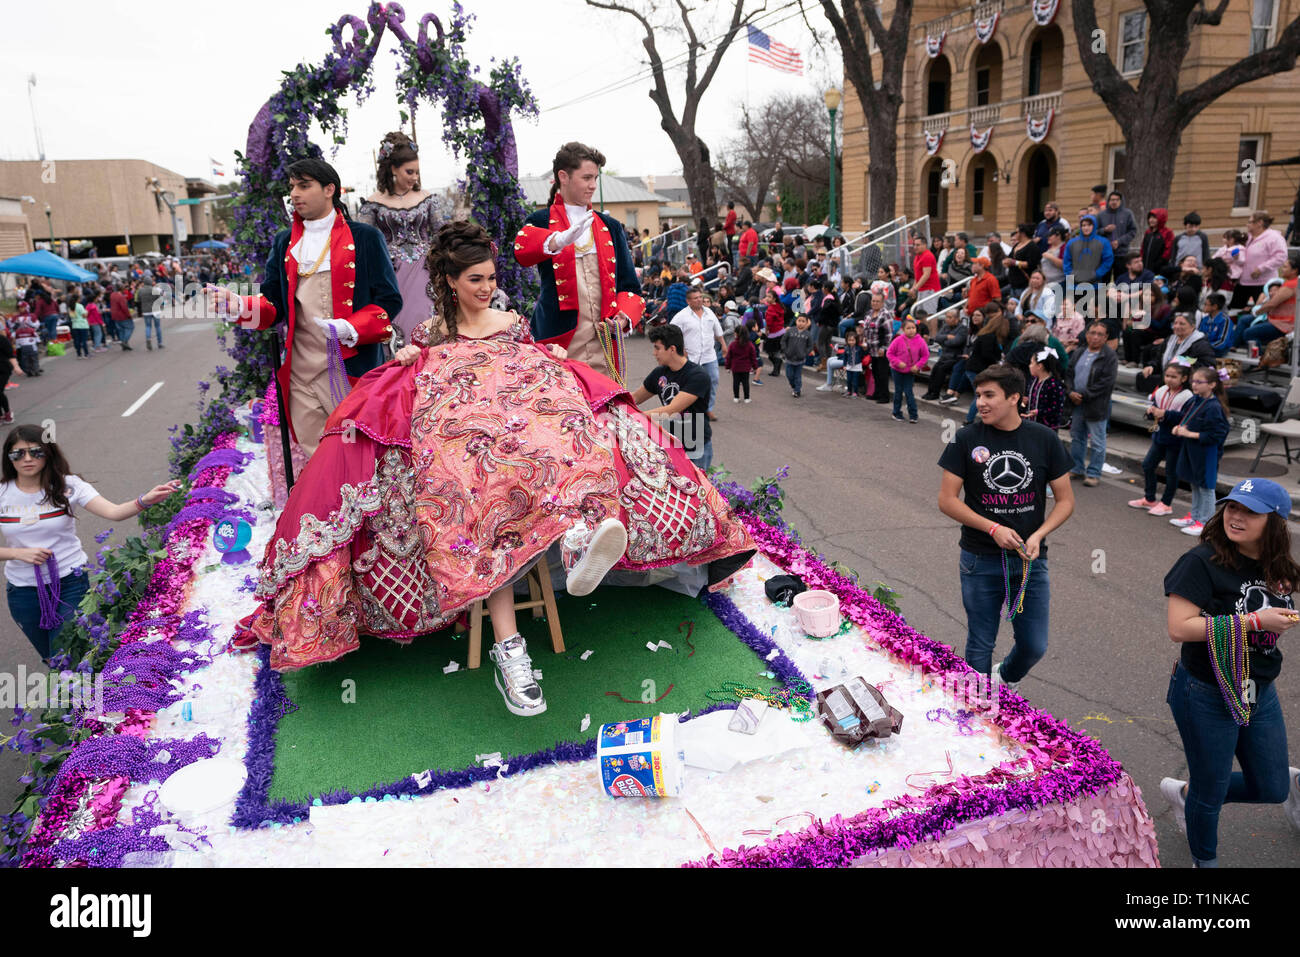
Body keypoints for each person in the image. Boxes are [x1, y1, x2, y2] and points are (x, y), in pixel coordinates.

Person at [236, 222, 754, 705]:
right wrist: (406, 361)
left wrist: (552, 371)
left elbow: (538, 371)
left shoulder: (513, 324)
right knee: (481, 495)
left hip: (523, 426)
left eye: (491, 278)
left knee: (570, 444)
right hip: (462, 437)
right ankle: (511, 653)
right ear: (450, 281)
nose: (487, 288)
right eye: (475, 279)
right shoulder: (432, 334)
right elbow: (411, 384)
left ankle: (578, 543)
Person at [208, 158, 400, 458]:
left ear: (329, 189)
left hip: (349, 368)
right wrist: (239, 305)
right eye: (292, 187)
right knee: (316, 456)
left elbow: (389, 300)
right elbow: (273, 306)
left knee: (356, 454)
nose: (295, 194)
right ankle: (323, 507)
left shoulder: (365, 237)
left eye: (304, 185)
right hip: (300, 370)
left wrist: (351, 327)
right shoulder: (284, 242)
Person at [1161, 478, 1300, 867]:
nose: (1236, 517)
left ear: (1274, 522)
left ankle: (1188, 794)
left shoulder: (1278, 564)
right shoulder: (1201, 561)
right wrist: (1256, 621)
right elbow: (1179, 627)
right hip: (1206, 690)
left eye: (1250, 512)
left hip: (1259, 689)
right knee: (1212, 789)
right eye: (1233, 507)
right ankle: (1204, 860)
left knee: (1272, 787)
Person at [938, 363, 1075, 690]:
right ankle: (974, 710)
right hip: (980, 559)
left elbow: (1066, 500)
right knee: (981, 642)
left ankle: (1004, 678)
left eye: (989, 395)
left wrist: (1040, 534)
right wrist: (992, 529)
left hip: (1030, 561)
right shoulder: (966, 439)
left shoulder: (1044, 439)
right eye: (979, 395)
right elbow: (947, 500)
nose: (981, 402)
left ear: (1015, 398)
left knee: (1034, 645)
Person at [0, 425, 180, 663]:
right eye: (18, 453)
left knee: (69, 655)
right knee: (51, 658)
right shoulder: (3, 492)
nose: (27, 459)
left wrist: (144, 500)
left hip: (70, 583)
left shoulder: (69, 486)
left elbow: (114, 512)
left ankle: (80, 699)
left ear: (48, 453)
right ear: (8, 458)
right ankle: (72, 695)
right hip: (23, 592)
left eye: (36, 452)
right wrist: (16, 553)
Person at [513, 142, 645, 382]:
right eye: (586, 178)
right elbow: (522, 252)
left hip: (604, 347)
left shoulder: (611, 226)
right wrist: (556, 241)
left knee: (604, 415)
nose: (593, 185)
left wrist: (623, 317)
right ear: (563, 176)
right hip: (559, 344)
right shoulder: (540, 221)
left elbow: (629, 286)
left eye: (595, 178)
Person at [355, 131, 452, 344]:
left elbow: (444, 235)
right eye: (409, 172)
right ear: (393, 169)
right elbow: (363, 245)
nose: (414, 178)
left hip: (425, 272)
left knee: (429, 321)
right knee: (395, 325)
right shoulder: (372, 203)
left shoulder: (426, 198)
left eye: (417, 173)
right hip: (389, 273)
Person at [1170, 366, 1232, 536]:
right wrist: (1179, 427)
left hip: (1206, 452)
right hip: (1192, 449)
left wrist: (1189, 433)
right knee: (1194, 482)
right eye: (1193, 381)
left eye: (1199, 382)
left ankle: (1206, 523)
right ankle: (1196, 516)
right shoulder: (1196, 400)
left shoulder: (1213, 407)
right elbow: (1187, 417)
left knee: (1206, 487)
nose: (1194, 385)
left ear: (1212, 384)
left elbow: (1218, 434)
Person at [1128, 360, 1194, 515]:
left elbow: (1186, 418)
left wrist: (1165, 414)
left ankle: (1166, 503)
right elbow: (1155, 411)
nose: (1169, 379)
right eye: (1167, 375)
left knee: (1171, 472)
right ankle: (1149, 498)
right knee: (1148, 465)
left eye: (1174, 377)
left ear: (1183, 379)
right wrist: (1151, 412)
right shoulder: (1161, 390)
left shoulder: (1187, 396)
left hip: (1176, 439)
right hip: (1160, 435)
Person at [1067, 321, 1119, 486]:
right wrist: (1070, 392)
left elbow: (1107, 383)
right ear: (1087, 334)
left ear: (1106, 338)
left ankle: (1094, 473)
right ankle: (1076, 468)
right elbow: (1068, 373)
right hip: (1076, 403)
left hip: (1096, 404)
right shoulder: (1079, 352)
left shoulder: (1109, 356)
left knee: (1097, 440)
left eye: (1100, 334)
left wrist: (1085, 395)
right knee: (1077, 437)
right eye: (1092, 333)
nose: (1095, 337)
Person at [670, 286, 726, 417]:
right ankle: (684, 409)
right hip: (690, 357)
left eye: (701, 297)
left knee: (713, 380)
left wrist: (723, 345)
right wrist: (681, 350)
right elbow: (672, 334)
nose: (699, 300)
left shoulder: (709, 313)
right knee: (687, 385)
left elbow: (718, 332)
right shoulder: (681, 316)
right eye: (696, 298)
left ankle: (708, 409)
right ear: (688, 301)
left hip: (709, 356)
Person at [1236, 252, 1299, 349]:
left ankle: (1261, 359)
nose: (1282, 269)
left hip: (1283, 325)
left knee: (1249, 333)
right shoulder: (1289, 283)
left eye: (1285, 267)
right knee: (1244, 320)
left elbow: (1271, 304)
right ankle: (1233, 346)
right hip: (1273, 319)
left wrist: (1257, 312)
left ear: (1294, 271)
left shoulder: (1291, 285)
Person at [1062, 214, 1114, 303]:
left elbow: (1108, 261)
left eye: (1089, 225)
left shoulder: (1103, 242)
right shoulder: (1072, 243)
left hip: (1096, 285)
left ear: (1094, 226)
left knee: (1094, 312)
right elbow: (1066, 261)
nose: (1086, 228)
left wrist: (1096, 274)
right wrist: (1071, 274)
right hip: (1075, 285)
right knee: (1075, 313)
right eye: (1083, 225)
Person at [887, 317, 927, 423]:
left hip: (910, 372)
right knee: (898, 391)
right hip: (896, 370)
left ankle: (913, 415)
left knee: (909, 392)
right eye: (908, 328)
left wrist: (917, 366)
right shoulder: (898, 340)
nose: (911, 330)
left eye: (913, 328)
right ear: (903, 330)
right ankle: (896, 413)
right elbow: (889, 353)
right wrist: (898, 362)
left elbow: (925, 356)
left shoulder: (920, 341)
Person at [924, 310, 968, 402]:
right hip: (945, 355)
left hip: (955, 357)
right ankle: (930, 391)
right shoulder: (945, 326)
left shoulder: (962, 329)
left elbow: (956, 342)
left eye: (950, 317)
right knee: (935, 370)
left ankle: (935, 393)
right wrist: (947, 337)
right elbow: (937, 337)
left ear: (957, 319)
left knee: (941, 370)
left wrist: (944, 341)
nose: (947, 319)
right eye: (946, 317)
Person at [1023, 348, 1070, 432]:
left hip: (1046, 428)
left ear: (1039, 366)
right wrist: (1025, 401)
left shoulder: (1054, 385)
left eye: (1031, 363)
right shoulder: (1033, 381)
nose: (1029, 365)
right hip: (1031, 424)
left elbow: (1056, 409)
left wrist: (1039, 412)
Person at [1095, 191, 1138, 278]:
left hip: (1122, 254)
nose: (1114, 202)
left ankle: (1120, 292)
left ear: (1121, 201)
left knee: (1121, 281)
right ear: (1108, 201)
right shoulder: (1101, 215)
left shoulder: (1127, 214)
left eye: (1116, 200)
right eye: (1112, 200)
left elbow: (1133, 231)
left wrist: (1119, 242)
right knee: (1103, 281)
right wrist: (1104, 230)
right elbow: (1094, 232)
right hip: (1105, 254)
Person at [861, 291, 894, 404]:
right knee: (875, 372)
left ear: (882, 302)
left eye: (877, 301)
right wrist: (864, 341)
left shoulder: (885, 314)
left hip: (881, 350)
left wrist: (884, 348)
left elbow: (889, 334)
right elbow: (865, 330)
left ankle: (884, 396)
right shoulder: (869, 313)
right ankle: (877, 393)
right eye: (873, 301)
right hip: (871, 349)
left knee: (882, 373)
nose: (875, 303)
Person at [1005, 224, 1043, 300]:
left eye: (1017, 232)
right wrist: (1006, 261)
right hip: (1013, 282)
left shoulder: (1032, 246)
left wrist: (1014, 262)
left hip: (1024, 283)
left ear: (1022, 233)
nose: (1015, 234)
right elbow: (1010, 257)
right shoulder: (1017, 245)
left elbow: (1031, 263)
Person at [724, 323, 758, 403]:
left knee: (736, 382)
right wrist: (755, 367)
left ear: (736, 334)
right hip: (746, 367)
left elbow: (729, 357)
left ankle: (736, 397)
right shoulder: (750, 345)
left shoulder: (733, 344)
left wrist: (727, 367)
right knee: (745, 382)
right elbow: (753, 357)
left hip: (735, 367)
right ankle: (747, 398)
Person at [782, 314, 813, 397]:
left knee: (797, 376)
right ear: (796, 321)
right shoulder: (790, 331)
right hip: (789, 358)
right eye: (799, 321)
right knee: (789, 375)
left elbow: (810, 346)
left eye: (803, 321)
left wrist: (804, 353)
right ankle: (794, 386)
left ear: (806, 323)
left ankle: (797, 390)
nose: (801, 323)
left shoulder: (807, 334)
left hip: (800, 359)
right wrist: (785, 351)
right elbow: (783, 341)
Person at [1141, 208, 1175, 278]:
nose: (1151, 220)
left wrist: (1159, 263)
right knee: (1145, 286)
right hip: (1146, 266)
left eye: (1154, 218)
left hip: (1159, 268)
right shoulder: (1148, 232)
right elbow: (1142, 248)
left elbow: (1168, 251)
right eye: (1150, 218)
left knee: (1156, 287)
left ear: (1161, 218)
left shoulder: (1167, 232)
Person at [912, 235, 941, 313]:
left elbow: (926, 275)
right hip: (921, 289)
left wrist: (915, 288)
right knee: (921, 315)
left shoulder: (927, 256)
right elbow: (917, 276)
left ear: (924, 245)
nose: (915, 247)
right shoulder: (917, 256)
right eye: (914, 245)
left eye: (918, 245)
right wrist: (913, 288)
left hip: (929, 289)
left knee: (929, 315)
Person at [1199, 292, 1234, 357]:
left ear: (1214, 307)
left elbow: (1222, 342)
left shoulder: (1225, 320)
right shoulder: (1205, 319)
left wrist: (1206, 347)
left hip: (1219, 350)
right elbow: (1199, 335)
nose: (1204, 306)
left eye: (1206, 304)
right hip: (1205, 348)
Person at [0, 330, 20, 423]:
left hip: (3, 369)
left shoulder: (2, 339)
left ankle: (7, 413)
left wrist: (16, 367)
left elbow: (11, 355)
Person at [841, 328, 867, 397]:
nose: (851, 342)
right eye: (849, 340)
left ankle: (855, 392)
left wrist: (864, 348)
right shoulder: (846, 348)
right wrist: (844, 365)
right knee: (849, 380)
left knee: (855, 381)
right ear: (847, 341)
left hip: (857, 366)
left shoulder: (859, 348)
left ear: (856, 340)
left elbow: (863, 354)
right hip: (849, 366)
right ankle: (849, 391)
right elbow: (845, 357)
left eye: (853, 340)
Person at [67, 293, 90, 359]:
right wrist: (87, 312)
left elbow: (72, 316)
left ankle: (79, 354)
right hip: (82, 325)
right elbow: (84, 316)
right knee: (84, 340)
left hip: (75, 325)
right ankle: (86, 354)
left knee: (77, 340)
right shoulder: (80, 306)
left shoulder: (71, 307)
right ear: (78, 299)